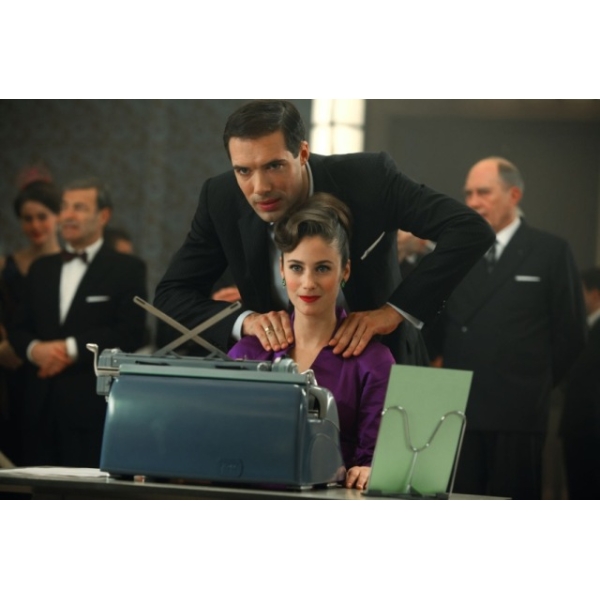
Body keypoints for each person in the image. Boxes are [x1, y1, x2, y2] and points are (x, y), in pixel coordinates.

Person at [154, 100, 494, 363]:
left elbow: (468, 229)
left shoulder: (370, 179)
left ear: (302, 152)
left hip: (387, 365)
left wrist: (393, 312)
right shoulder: (221, 198)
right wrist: (246, 321)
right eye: (243, 171)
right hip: (281, 379)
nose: (260, 188)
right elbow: (171, 295)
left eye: (274, 166)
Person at [428, 157, 586, 499]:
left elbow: (572, 334)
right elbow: (437, 326)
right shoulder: (456, 252)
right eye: (468, 193)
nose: (473, 202)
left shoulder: (551, 251)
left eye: (483, 192)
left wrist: (535, 380)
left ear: (514, 195)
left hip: (519, 410)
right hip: (458, 407)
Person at [228, 193, 395, 490]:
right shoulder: (247, 353)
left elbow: (373, 459)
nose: (308, 283)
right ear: (281, 269)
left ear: (344, 271)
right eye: (296, 267)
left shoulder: (374, 362)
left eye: (322, 268)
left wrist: (371, 471)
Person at [8, 177, 147, 467]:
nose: (68, 215)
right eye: (65, 207)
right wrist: (35, 350)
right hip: (33, 406)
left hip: (88, 406)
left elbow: (130, 332)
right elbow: (18, 327)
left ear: (103, 216)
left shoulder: (127, 268)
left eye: (79, 208)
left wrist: (68, 349)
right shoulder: (41, 268)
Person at [0, 180, 62, 465]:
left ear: (57, 217)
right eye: (27, 219)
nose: (35, 225)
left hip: (50, 368)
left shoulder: (70, 266)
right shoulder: (6, 266)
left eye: (42, 217)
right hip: (9, 370)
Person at [560, 267, 600, 499]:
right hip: (581, 427)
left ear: (594, 294)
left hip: (590, 429)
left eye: (580, 291)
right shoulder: (585, 327)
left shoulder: (591, 331)